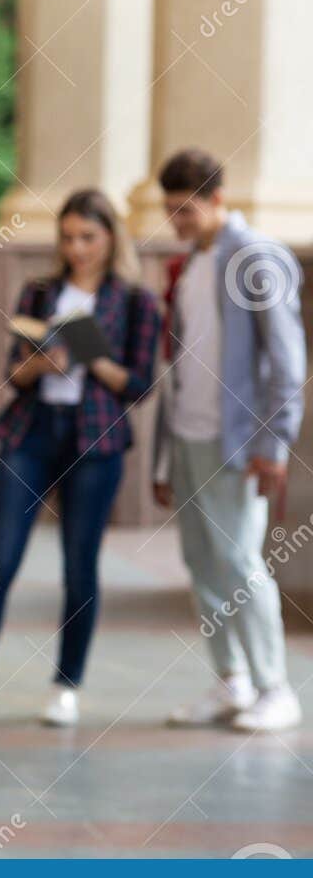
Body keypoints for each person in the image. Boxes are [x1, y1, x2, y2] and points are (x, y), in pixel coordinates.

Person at [0, 189, 161, 728]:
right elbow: (14, 371)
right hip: (32, 434)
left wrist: (91, 357)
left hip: (96, 441)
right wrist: (43, 364)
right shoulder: (39, 293)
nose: (77, 248)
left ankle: (66, 687)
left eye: (89, 237)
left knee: (79, 566)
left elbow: (140, 384)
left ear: (111, 239)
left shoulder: (135, 301)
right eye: (68, 237)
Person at [152, 148, 305, 733]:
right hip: (188, 438)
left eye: (185, 209)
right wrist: (165, 459)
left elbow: (287, 359)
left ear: (217, 198)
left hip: (238, 442)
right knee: (203, 564)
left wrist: (274, 443)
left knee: (241, 562)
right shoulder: (193, 263)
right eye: (170, 211)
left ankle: (276, 688)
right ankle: (231, 680)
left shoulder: (256, 255)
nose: (177, 221)